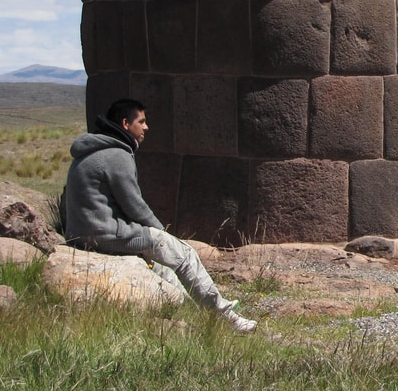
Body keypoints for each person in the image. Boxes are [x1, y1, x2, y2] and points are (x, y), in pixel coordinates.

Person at [63, 99, 257, 332]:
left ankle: (203, 317)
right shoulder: (117, 155)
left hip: (81, 234)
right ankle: (226, 315)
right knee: (184, 253)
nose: (147, 127)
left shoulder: (92, 152)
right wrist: (161, 233)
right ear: (125, 124)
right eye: (141, 121)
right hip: (105, 235)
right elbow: (134, 206)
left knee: (163, 267)